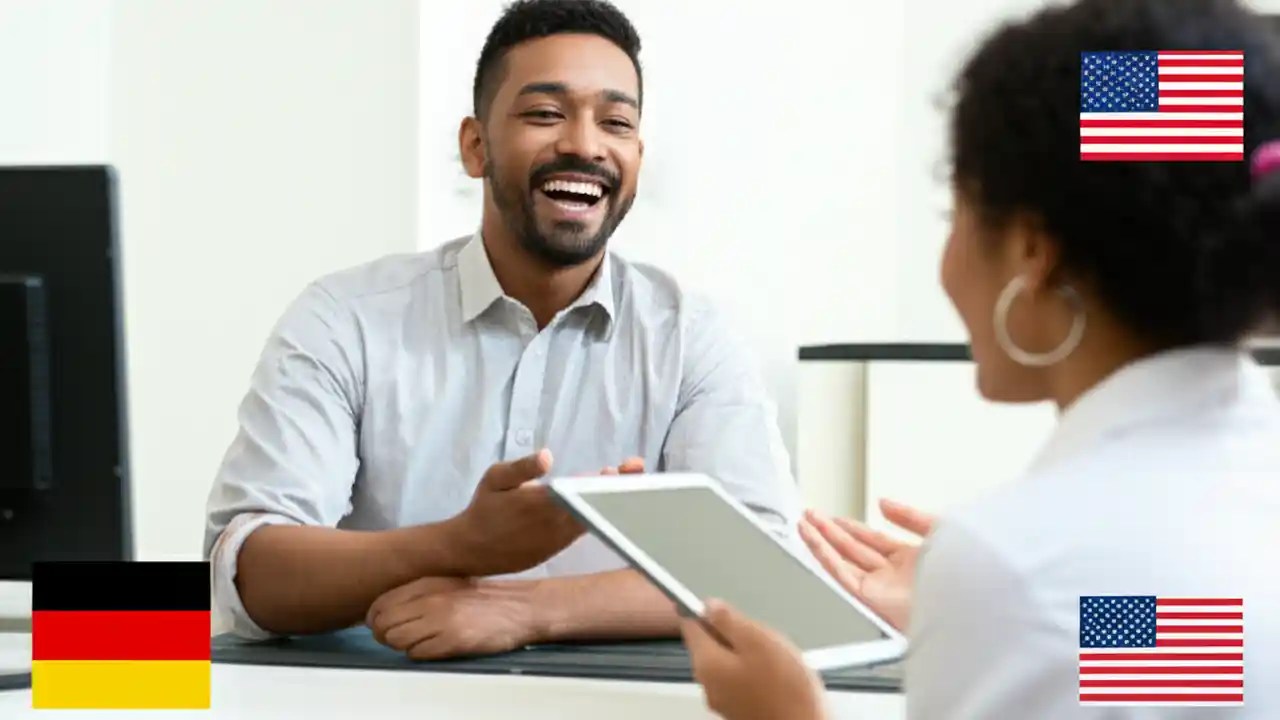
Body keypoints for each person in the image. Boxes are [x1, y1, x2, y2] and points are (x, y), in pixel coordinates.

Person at [681, 0, 1280, 717]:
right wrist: (987, 613)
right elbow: (1234, 654)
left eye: (954, 215)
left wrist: (787, 713)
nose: (946, 262)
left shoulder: (1018, 564)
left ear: (1032, 250)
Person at [203, 0, 800, 659]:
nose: (584, 143)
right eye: (545, 114)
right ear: (475, 146)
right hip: (373, 697)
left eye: (617, 122)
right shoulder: (346, 318)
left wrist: (525, 610)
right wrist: (456, 544)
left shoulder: (691, 338)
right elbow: (246, 573)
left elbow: (768, 574)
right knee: (95, 665)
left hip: (617, 707)